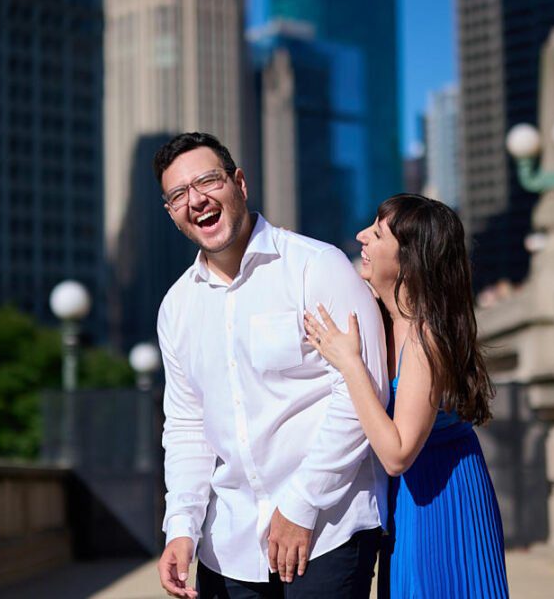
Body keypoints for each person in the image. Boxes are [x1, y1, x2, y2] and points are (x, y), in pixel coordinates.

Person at [153, 132, 389, 599]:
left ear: (239, 183)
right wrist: (181, 526)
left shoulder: (316, 266)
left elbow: (363, 391)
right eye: (179, 194)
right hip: (229, 545)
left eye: (207, 181)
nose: (195, 200)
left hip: (328, 529)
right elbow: (186, 426)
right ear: (172, 213)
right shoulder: (176, 307)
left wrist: (302, 502)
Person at [303, 193, 509, 598]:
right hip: (410, 497)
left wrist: (350, 364)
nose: (362, 236)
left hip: (440, 501)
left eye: (378, 234)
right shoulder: (381, 318)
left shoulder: (423, 338)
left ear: (409, 261)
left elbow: (397, 454)